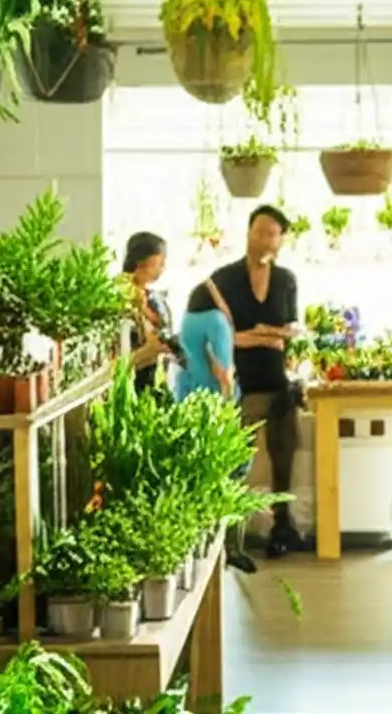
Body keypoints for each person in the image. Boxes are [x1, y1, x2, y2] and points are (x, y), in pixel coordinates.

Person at [209, 203, 305, 559]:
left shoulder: (286, 280)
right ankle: (228, 537)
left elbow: (291, 330)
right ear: (249, 232)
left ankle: (282, 527)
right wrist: (263, 336)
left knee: (284, 459)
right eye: (260, 231)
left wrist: (263, 333)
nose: (265, 238)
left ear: (280, 240)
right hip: (238, 385)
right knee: (234, 463)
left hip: (278, 385)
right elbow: (218, 335)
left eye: (273, 233)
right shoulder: (224, 278)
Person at [172, 280, 259, 574]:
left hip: (187, 401)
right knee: (235, 472)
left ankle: (201, 548)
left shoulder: (187, 320)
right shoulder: (217, 321)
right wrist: (229, 406)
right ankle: (229, 547)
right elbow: (224, 370)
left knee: (198, 478)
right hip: (216, 406)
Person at [122, 232, 172, 393]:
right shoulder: (120, 295)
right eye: (160, 262)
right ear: (141, 260)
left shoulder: (153, 298)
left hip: (151, 380)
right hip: (128, 385)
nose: (162, 267)